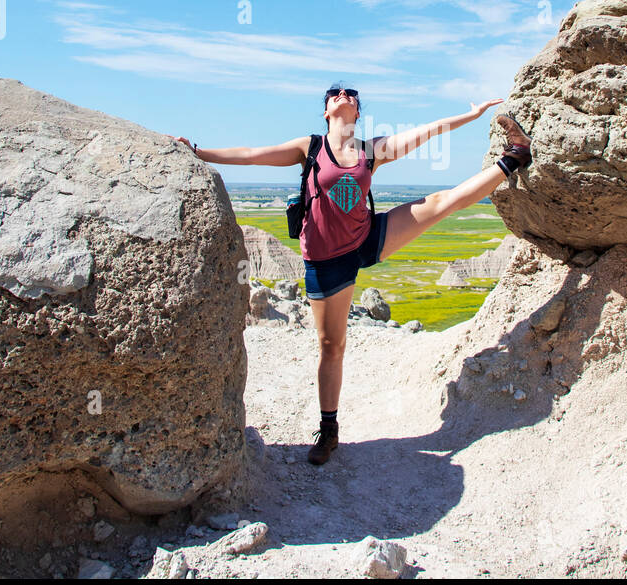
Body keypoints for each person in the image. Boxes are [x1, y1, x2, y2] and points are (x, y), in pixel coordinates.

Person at [171, 84, 532, 465]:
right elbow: (249, 155)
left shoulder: (370, 151)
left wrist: (472, 116)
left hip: (367, 236)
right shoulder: (308, 148)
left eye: (350, 94)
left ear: (357, 112)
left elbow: (429, 132)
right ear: (327, 111)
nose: (343, 94)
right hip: (326, 259)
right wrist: (197, 150)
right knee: (332, 346)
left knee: (441, 203)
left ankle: (514, 158)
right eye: (334, 93)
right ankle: (329, 430)